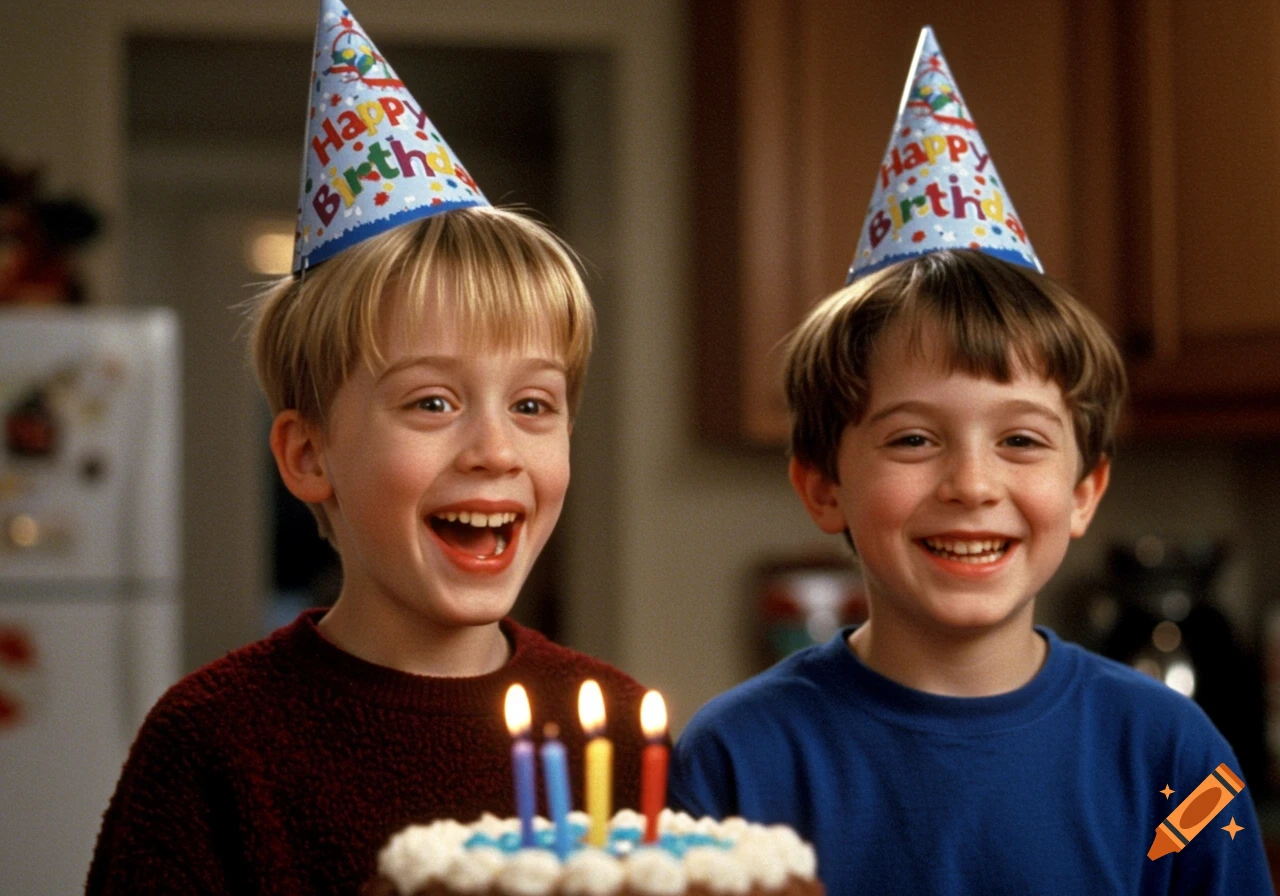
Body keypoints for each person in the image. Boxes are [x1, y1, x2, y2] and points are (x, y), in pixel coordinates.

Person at [670, 26, 1273, 896]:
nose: (972, 485)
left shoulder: (1177, 759)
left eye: (1021, 440)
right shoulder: (736, 761)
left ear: (1085, 490)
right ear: (822, 485)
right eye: (913, 439)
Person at [87, 3, 651, 893]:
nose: (495, 450)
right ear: (309, 456)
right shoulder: (210, 743)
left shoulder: (617, 732)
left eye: (534, 404)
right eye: (432, 402)